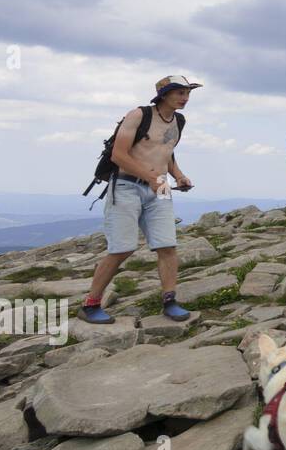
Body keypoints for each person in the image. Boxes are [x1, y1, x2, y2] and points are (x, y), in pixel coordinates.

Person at [81, 75, 201, 325]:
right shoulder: (138, 115)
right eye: (180, 93)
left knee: (167, 246)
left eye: (188, 93)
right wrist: (150, 178)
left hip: (159, 187)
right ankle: (90, 304)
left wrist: (178, 175)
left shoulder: (179, 120)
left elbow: (166, 151)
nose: (185, 98)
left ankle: (170, 300)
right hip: (126, 185)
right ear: (164, 94)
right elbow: (118, 155)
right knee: (122, 248)